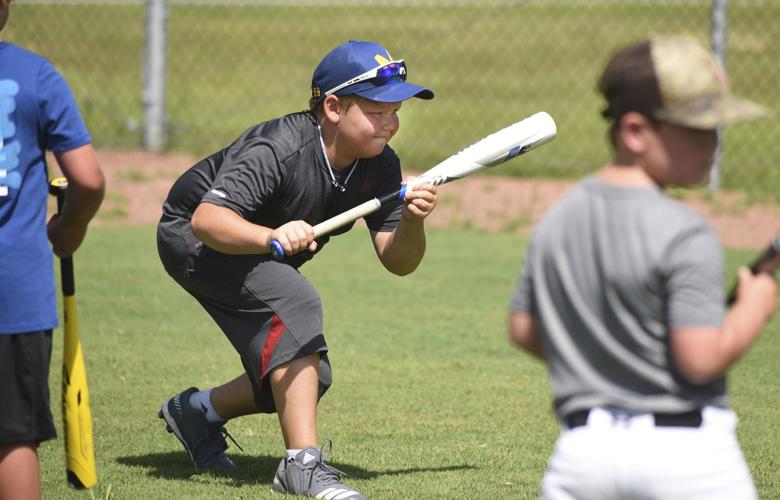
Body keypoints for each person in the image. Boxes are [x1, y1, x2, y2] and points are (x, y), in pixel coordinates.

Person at [156, 40, 437, 498]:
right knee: (297, 304)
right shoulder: (279, 148)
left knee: (307, 375)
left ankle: (197, 411)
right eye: (377, 111)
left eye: (395, 112)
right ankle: (301, 467)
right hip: (195, 238)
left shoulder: (381, 164)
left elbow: (398, 261)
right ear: (333, 107)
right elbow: (206, 220)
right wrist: (270, 235)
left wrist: (412, 221)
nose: (390, 124)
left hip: (253, 245)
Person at [508, 35, 776, 500]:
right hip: (687, 458)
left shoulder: (557, 218)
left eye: (716, 127)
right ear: (635, 131)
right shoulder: (686, 231)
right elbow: (700, 359)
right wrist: (755, 306)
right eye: (696, 129)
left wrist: (606, 360)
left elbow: (523, 328)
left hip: (581, 458)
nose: (713, 143)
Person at [0, 0, 106, 498]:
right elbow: (88, 179)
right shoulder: (33, 75)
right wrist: (70, 228)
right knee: (11, 438)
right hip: (13, 293)